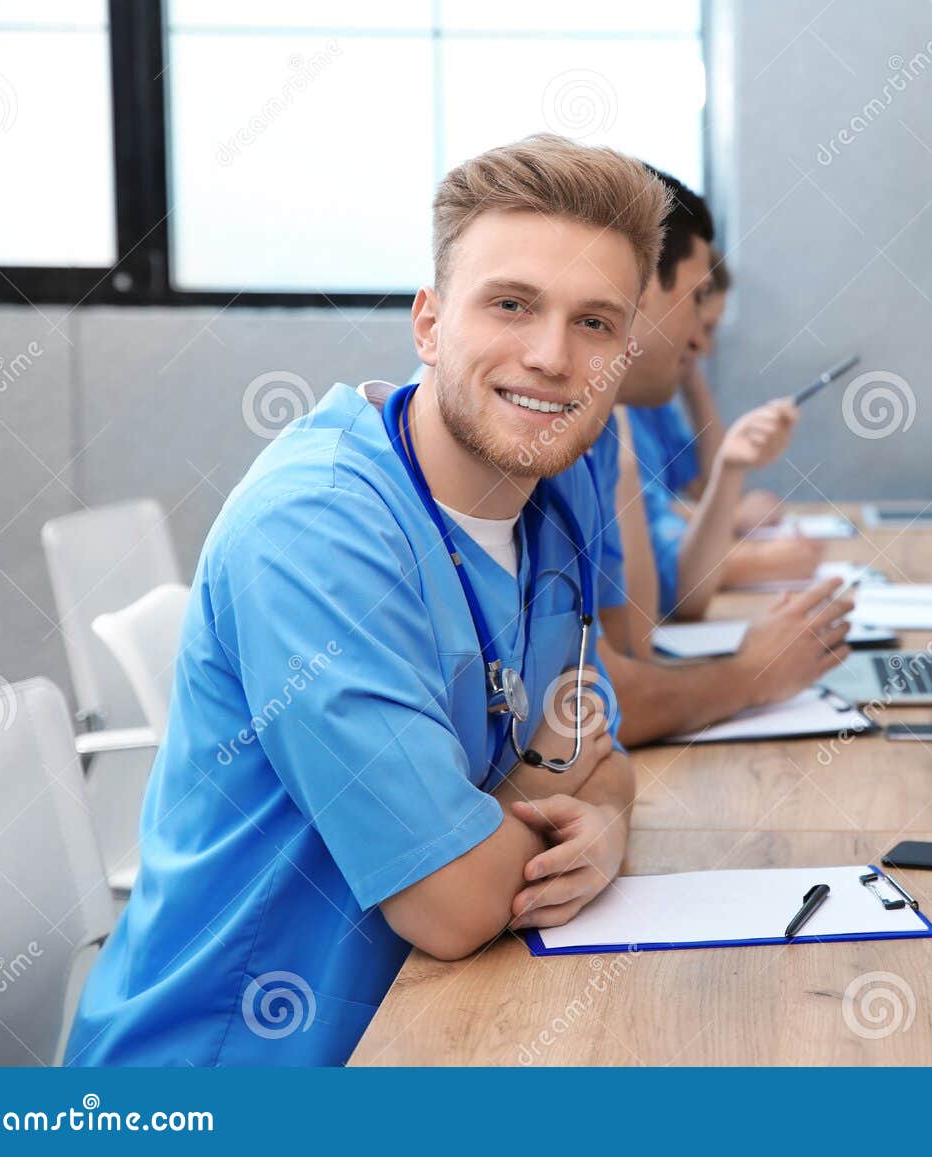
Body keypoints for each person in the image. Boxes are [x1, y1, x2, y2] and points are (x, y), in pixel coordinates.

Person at [66, 135, 666, 1066]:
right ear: (427, 323)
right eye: (511, 304)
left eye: (594, 323)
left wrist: (610, 823)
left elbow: (607, 756)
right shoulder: (315, 532)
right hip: (238, 1063)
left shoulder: (565, 479)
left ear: (624, 353)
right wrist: (560, 807)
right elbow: (456, 904)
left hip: (438, 1016)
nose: (551, 356)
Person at [583, 170, 851, 747]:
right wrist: (752, 672)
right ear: (640, 283)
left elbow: (633, 650)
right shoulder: (556, 436)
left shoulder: (607, 432)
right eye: (697, 299)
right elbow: (604, 704)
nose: (702, 344)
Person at [627, 249, 784, 534]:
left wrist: (693, 380)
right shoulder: (618, 405)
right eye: (705, 327)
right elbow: (640, 519)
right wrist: (736, 519)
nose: (705, 345)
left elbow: (707, 487)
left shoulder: (655, 403)